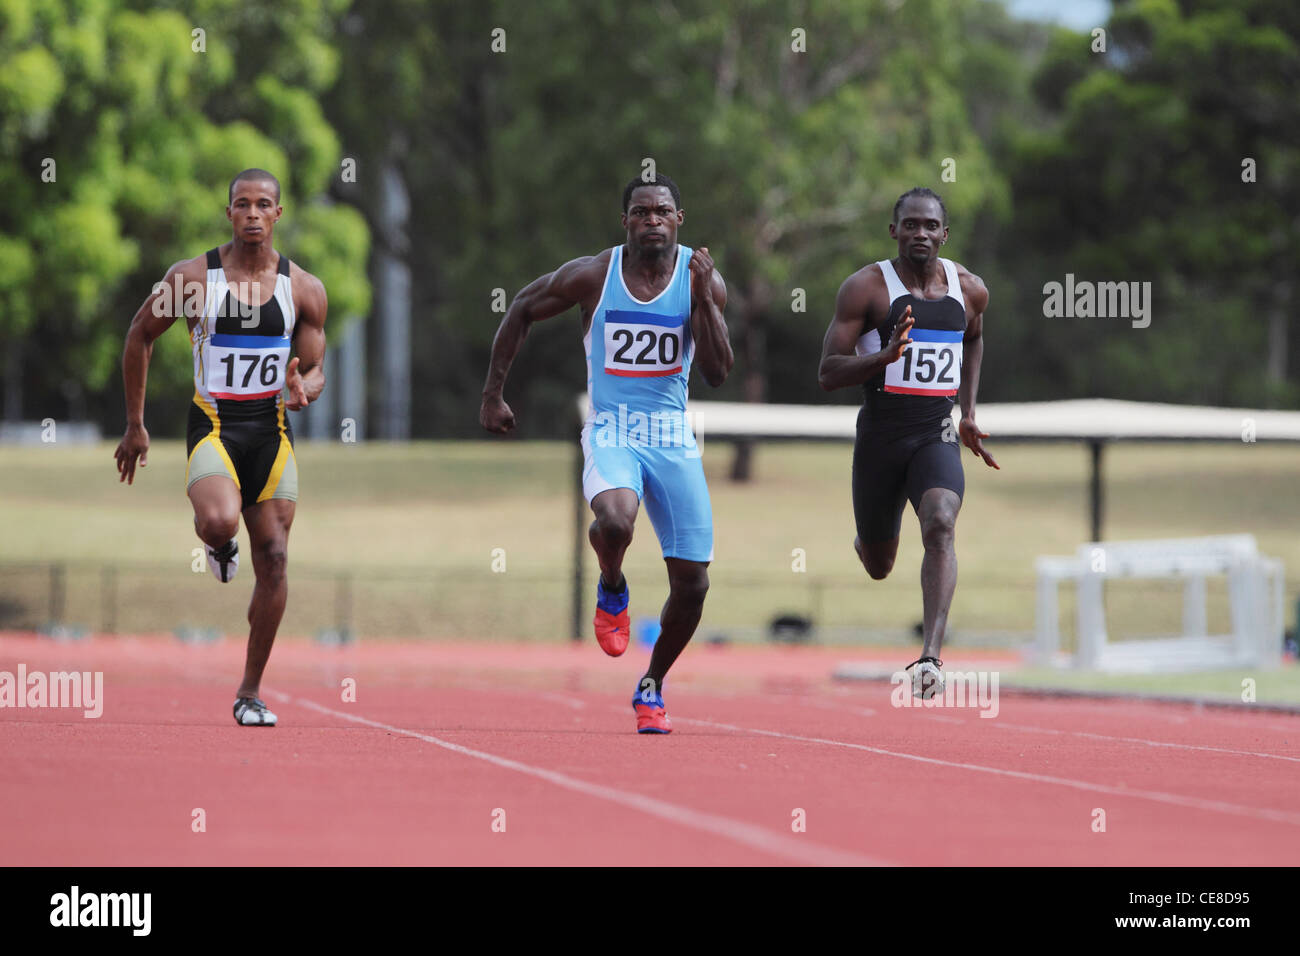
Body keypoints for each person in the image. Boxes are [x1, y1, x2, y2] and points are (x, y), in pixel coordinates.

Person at [480, 173, 732, 733]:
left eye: (662, 211)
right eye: (640, 212)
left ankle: (652, 686)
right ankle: (613, 583)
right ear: (626, 222)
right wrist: (493, 393)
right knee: (615, 521)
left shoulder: (699, 278)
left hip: (671, 434)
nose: (651, 221)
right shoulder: (596, 274)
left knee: (693, 583)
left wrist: (708, 299)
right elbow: (521, 306)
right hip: (613, 427)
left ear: (679, 219)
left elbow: (717, 373)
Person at [114, 169, 328, 726]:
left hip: (271, 435)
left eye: (263, 205)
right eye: (242, 205)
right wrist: (135, 425)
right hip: (213, 428)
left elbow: (315, 368)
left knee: (277, 560)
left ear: (278, 214)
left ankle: (250, 692)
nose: (252, 214)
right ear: (228, 212)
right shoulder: (191, 279)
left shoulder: (304, 288)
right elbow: (139, 334)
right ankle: (217, 543)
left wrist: (305, 386)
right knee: (220, 522)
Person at [818, 187, 998, 698]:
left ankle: (930, 657)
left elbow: (974, 337)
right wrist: (885, 356)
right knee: (879, 564)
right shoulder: (867, 288)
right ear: (894, 231)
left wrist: (967, 412)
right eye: (910, 225)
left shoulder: (970, 289)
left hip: (935, 432)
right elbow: (828, 372)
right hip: (880, 436)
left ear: (945, 233)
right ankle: (870, 534)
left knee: (941, 522)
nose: (921, 233)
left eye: (930, 226)